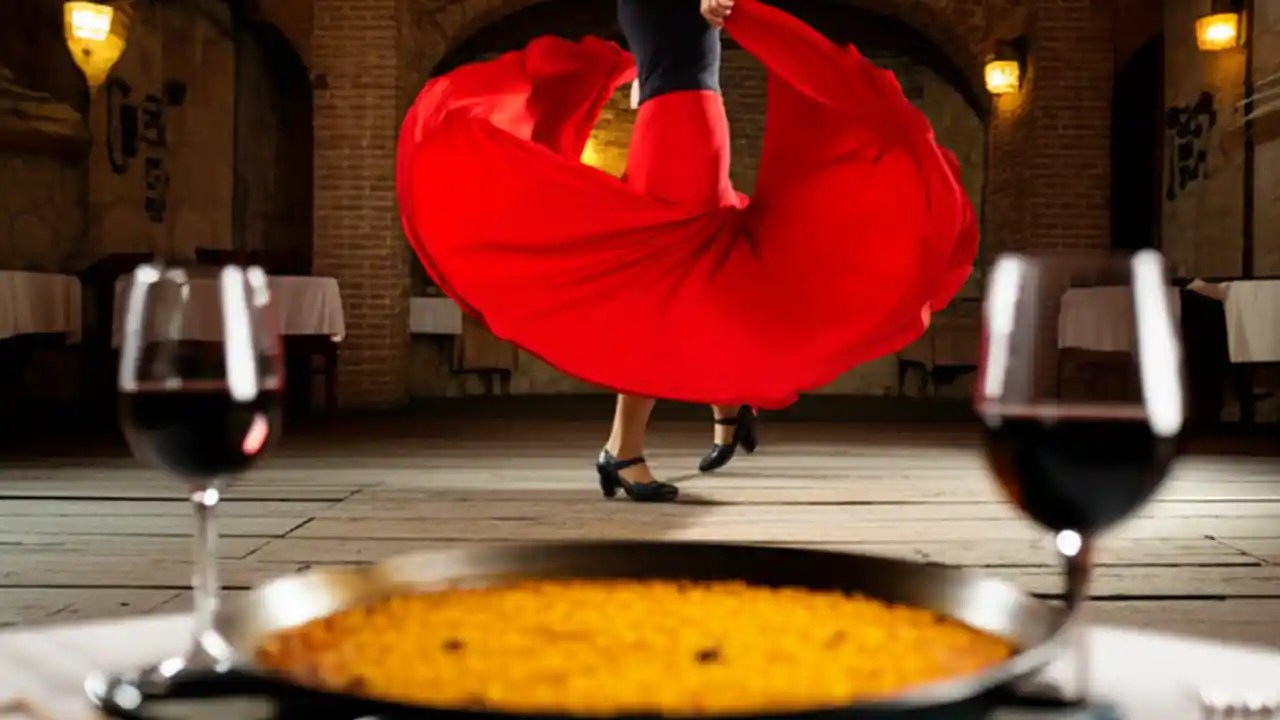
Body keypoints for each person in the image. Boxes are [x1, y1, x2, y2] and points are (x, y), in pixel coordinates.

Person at [396, 0, 978, 503]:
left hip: (690, 119)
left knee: (701, 273)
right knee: (673, 283)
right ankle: (644, 440)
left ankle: (705, 415)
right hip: (680, 126)